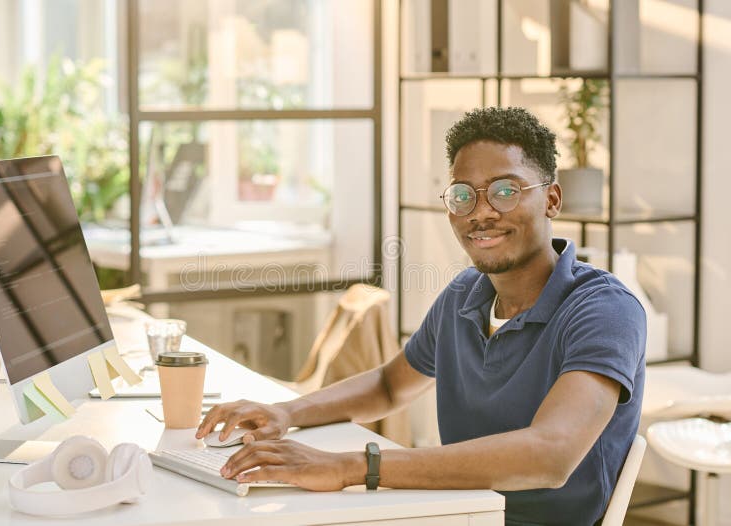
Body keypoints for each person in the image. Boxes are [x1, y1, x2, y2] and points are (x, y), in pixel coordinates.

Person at [196, 107, 646, 525]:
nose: (482, 212)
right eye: (463, 195)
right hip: (450, 512)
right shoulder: (464, 295)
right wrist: (284, 412)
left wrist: (354, 467)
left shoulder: (604, 310)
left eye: (506, 191)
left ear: (551, 199)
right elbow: (390, 386)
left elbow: (551, 454)